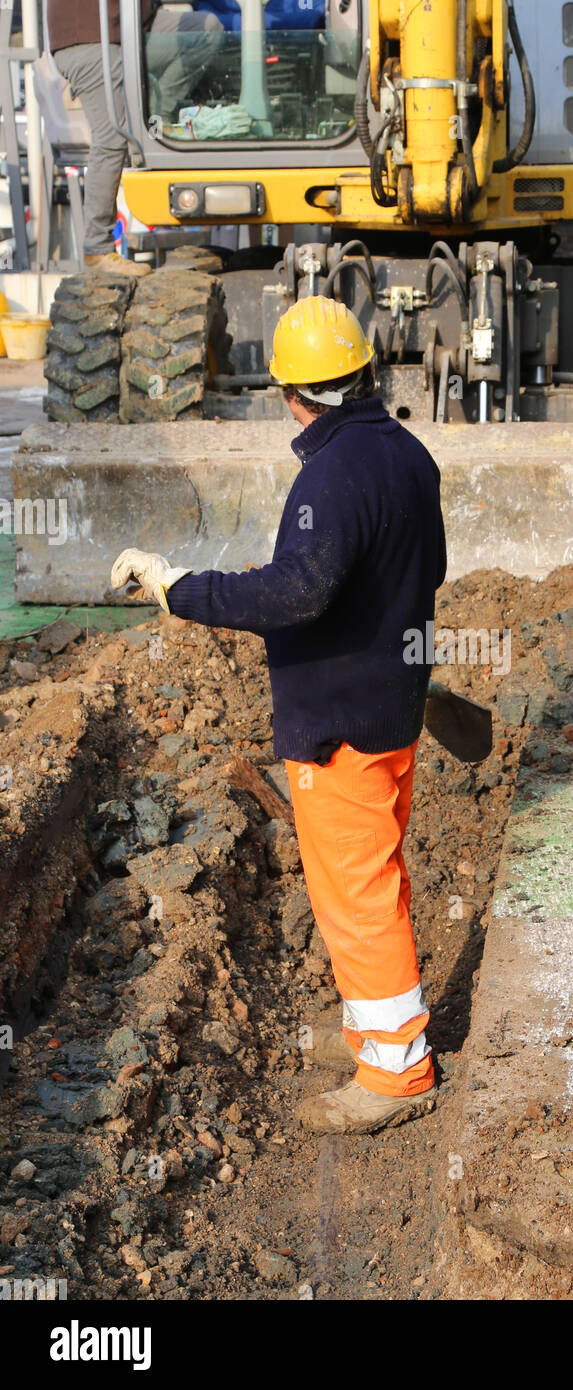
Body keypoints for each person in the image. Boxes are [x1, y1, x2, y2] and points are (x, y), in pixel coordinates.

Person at [110, 296, 448, 1135]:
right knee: (372, 876)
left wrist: (179, 588)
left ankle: (395, 1072)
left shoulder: (328, 476)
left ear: (294, 395)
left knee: (356, 893)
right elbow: (419, 572)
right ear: (363, 375)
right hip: (390, 707)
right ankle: (374, 1031)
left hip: (338, 723)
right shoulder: (407, 454)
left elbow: (297, 591)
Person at [48, 0, 223, 275]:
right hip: (92, 38)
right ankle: (97, 248)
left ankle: (157, 116)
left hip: (135, 27)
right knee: (110, 139)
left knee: (205, 29)